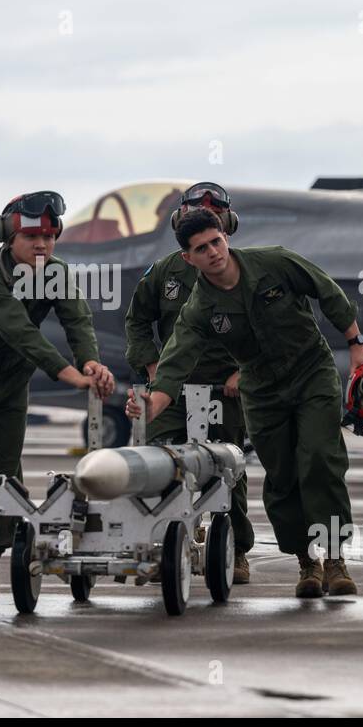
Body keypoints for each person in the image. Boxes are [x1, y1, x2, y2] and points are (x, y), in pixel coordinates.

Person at [128, 209, 363, 598]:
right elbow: (176, 360)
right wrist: (152, 405)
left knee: (320, 459)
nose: (212, 252)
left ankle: (333, 559)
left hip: (311, 372)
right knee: (280, 476)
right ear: (187, 259)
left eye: (216, 241)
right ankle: (305, 561)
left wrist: (356, 345)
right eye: (201, 248)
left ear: (225, 237)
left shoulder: (274, 262)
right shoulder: (199, 309)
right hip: (260, 389)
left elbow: (326, 290)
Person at [0, 191, 116, 610]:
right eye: (32, 236)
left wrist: (89, 362)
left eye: (50, 237)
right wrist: (65, 373)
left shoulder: (56, 273)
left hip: (9, 386)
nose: (42, 245)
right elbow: (20, 331)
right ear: (8, 237)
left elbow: (77, 319)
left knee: (3, 478)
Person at [124, 182, 254, 583]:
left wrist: (242, 371)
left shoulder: (244, 270)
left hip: (223, 389)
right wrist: (151, 367)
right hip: (172, 390)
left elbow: (266, 329)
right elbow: (137, 321)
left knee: (227, 469)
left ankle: (235, 550)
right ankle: (165, 544)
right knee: (160, 461)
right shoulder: (165, 272)